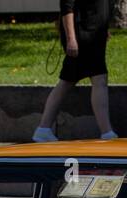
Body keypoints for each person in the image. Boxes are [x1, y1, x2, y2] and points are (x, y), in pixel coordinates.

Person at [33, 0, 117, 142]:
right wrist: (71, 39)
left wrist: (104, 28)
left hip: (94, 34)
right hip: (82, 36)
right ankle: (107, 132)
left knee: (69, 81)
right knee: (97, 79)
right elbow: (67, 7)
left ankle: (43, 129)